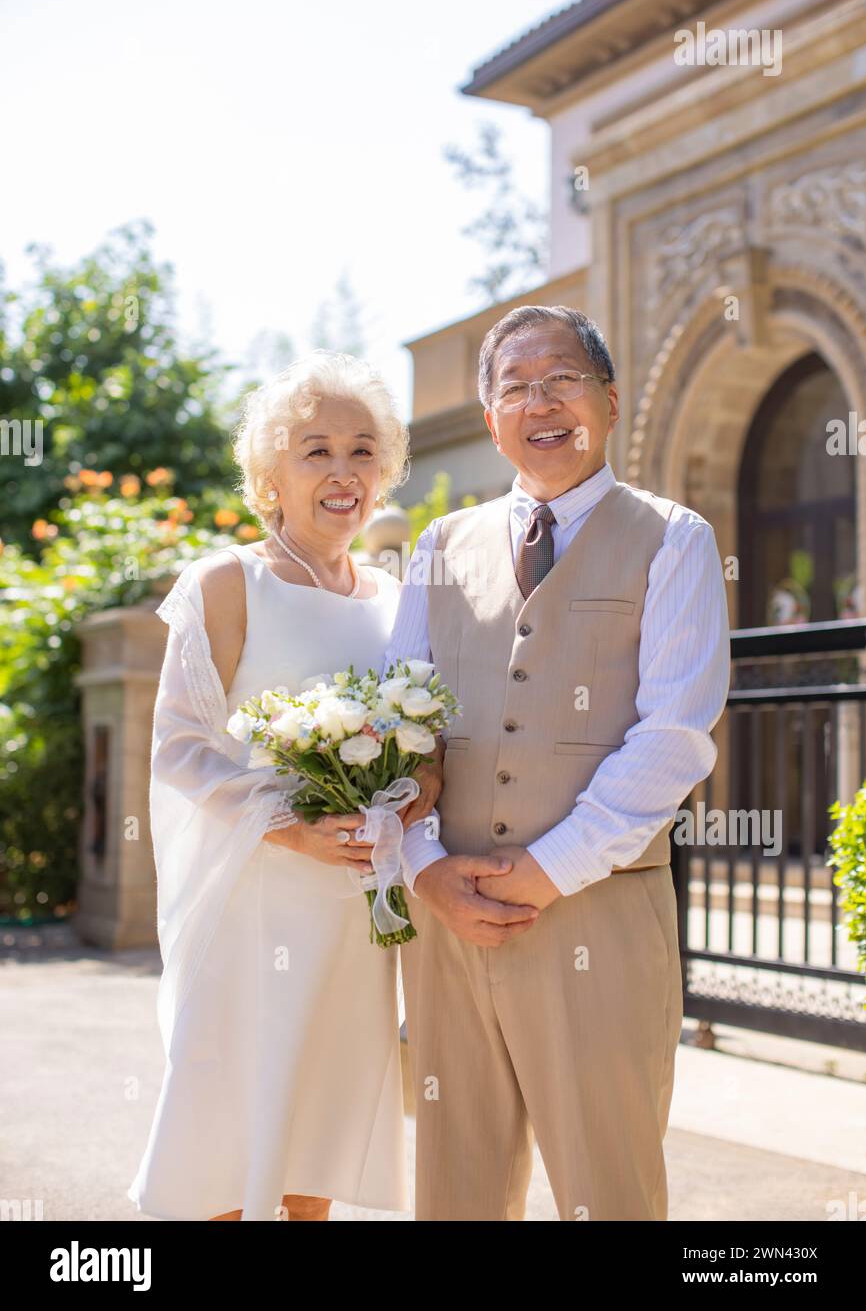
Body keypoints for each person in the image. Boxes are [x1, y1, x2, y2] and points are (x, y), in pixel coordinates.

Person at [385, 305, 731, 1221]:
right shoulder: (436, 548)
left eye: (562, 378)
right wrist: (425, 872)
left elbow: (674, 733)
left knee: (608, 1186)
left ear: (609, 402)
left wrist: (547, 871)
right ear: (490, 416)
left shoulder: (675, 538)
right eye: (513, 385)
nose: (539, 401)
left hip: (599, 915)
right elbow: (397, 724)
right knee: (452, 1189)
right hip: (446, 919)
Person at [127, 349, 466, 1221]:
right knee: (232, 1118)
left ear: (386, 470)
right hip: (256, 898)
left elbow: (422, 737)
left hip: (355, 906)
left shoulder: (397, 599)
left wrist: (419, 778)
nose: (343, 471)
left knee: (323, 1112)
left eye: (363, 450)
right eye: (315, 449)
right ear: (269, 472)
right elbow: (179, 745)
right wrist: (285, 825)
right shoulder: (226, 584)